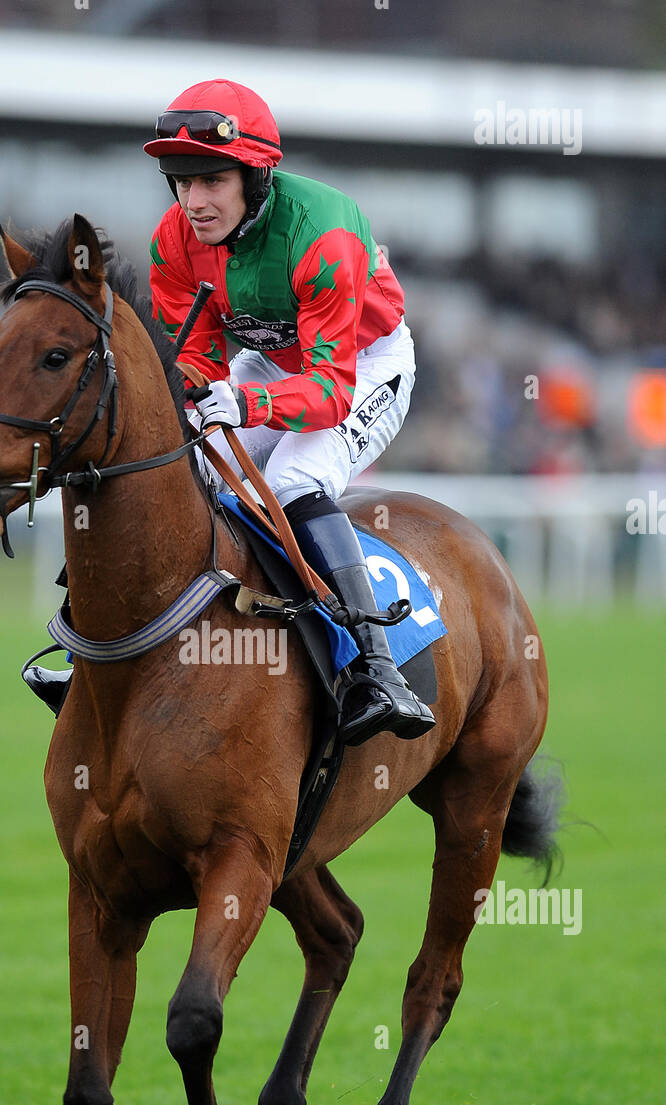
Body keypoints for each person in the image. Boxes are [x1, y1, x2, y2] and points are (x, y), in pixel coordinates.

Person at [144, 78, 435, 743]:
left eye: (212, 179)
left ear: (254, 175)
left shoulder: (324, 234)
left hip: (362, 365)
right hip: (275, 361)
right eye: (180, 181)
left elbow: (330, 392)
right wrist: (196, 398)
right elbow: (197, 358)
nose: (194, 201)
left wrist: (244, 403)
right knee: (192, 474)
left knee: (292, 482)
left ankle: (375, 666)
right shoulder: (173, 240)